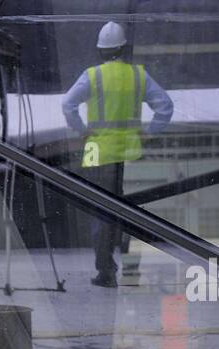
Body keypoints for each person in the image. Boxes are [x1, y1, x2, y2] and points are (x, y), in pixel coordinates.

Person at [61, 21, 173, 287]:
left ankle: (106, 271)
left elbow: (68, 104)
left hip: (99, 152)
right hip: (131, 153)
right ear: (124, 48)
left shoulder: (92, 76)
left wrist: (82, 130)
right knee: (129, 212)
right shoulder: (138, 75)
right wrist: (150, 131)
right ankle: (131, 267)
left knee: (102, 212)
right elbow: (165, 107)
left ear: (100, 51)